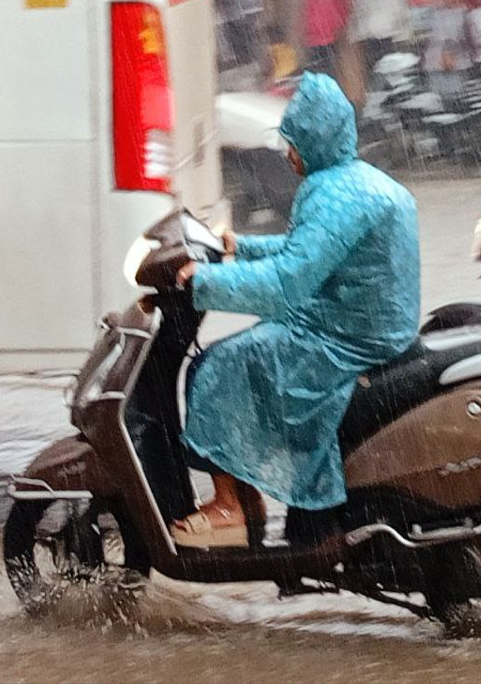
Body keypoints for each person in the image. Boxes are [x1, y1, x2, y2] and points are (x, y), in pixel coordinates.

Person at [171, 72, 421, 548]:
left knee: (217, 364)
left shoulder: (332, 195)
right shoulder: (359, 181)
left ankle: (230, 508)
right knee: (244, 353)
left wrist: (203, 282)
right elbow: (308, 250)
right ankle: (247, 501)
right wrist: (239, 248)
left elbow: (286, 284)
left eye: (295, 143)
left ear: (315, 141)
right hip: (368, 327)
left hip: (342, 339)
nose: (288, 154)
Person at [351, 0, 412, 73]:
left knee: (390, 76)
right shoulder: (363, 0)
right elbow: (357, 24)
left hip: (387, 43)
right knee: (373, 77)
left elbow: (404, 21)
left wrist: (402, 42)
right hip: (370, 45)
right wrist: (359, 42)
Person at [303, 0, 351, 77]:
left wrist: (341, 34)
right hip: (314, 42)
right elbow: (307, 14)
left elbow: (345, 12)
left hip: (331, 41)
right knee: (317, 74)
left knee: (330, 73)